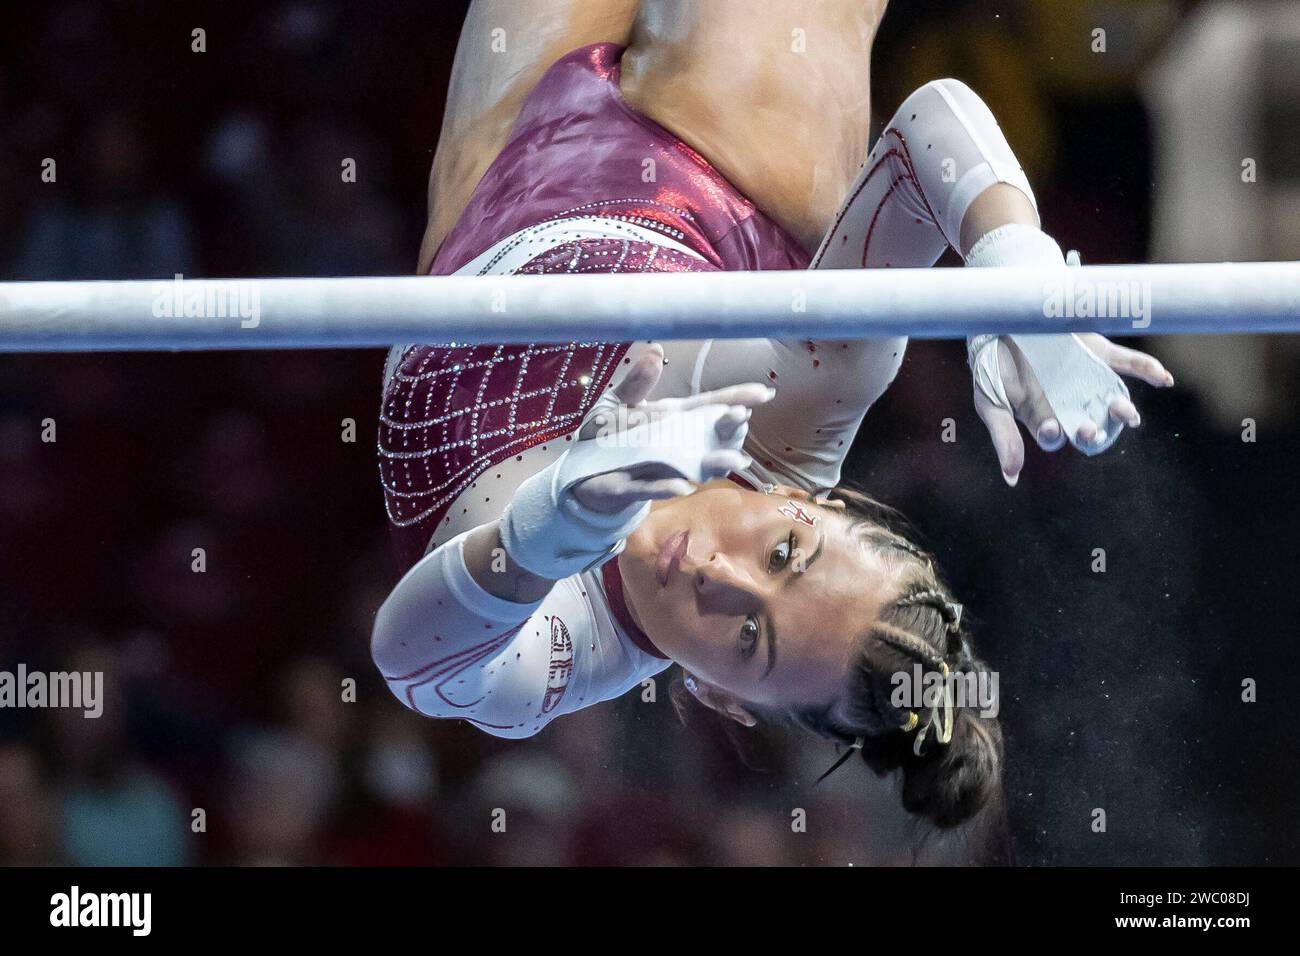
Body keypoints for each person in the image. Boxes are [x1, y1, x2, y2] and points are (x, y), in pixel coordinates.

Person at [374, 0, 1174, 831]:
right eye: (785, 551)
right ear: (815, 504)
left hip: (509, 170)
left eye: (749, 640)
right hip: (720, 155)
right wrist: (1013, 272)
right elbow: (936, 120)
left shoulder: (571, 645)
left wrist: (554, 529)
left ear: (726, 699)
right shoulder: (797, 410)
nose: (722, 576)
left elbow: (418, 669)